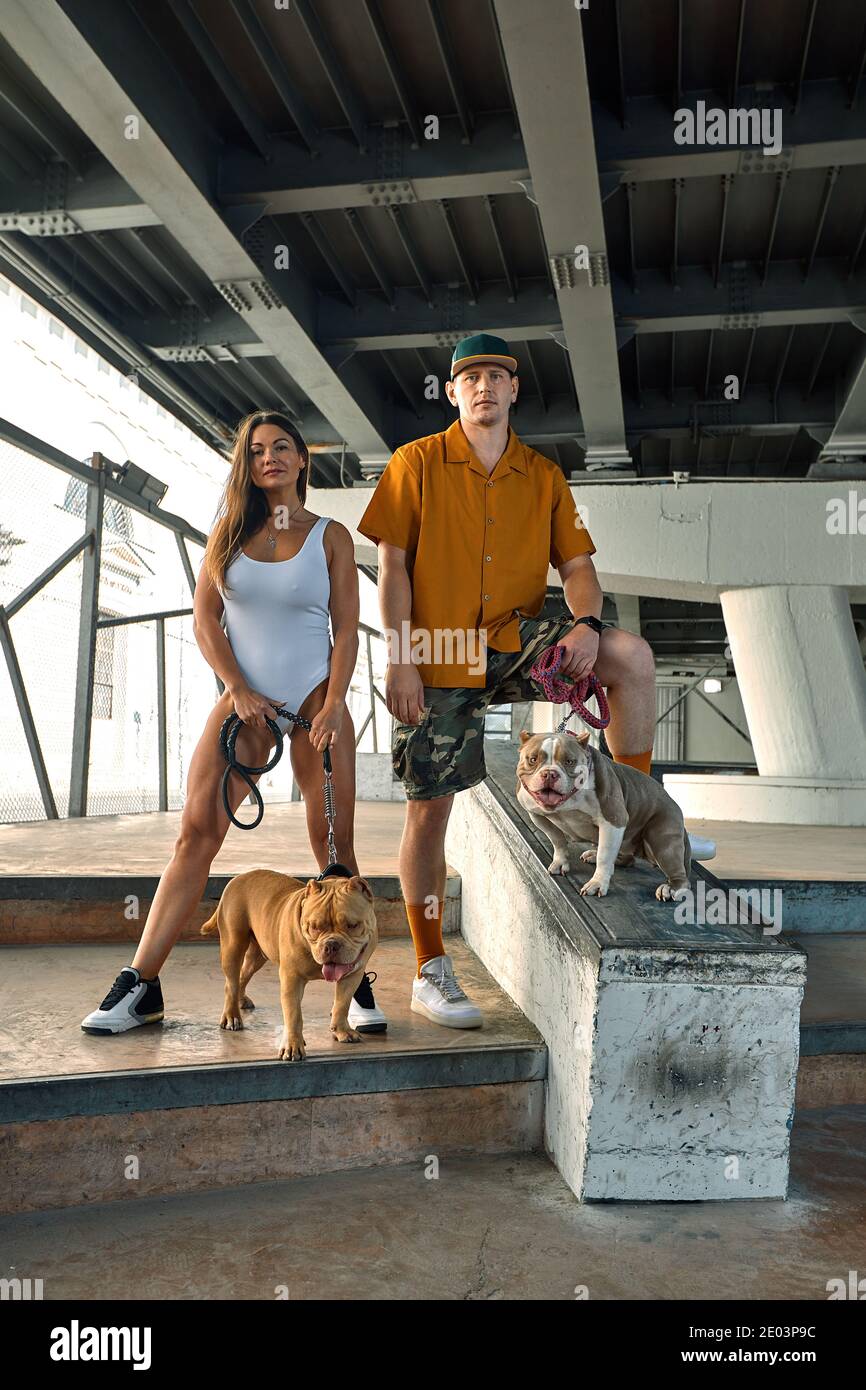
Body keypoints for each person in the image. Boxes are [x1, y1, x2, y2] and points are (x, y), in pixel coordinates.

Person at [356, 333, 659, 1028]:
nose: (485, 386)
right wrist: (399, 657)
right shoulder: (416, 463)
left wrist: (585, 623)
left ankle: (635, 819)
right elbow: (392, 566)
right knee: (429, 807)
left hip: (515, 635)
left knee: (630, 657)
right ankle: (431, 968)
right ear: (452, 391)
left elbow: (578, 565)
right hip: (437, 646)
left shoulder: (543, 475)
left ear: (515, 389)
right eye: (471, 378)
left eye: (497, 375)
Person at [81, 410, 386, 1035]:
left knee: (337, 854)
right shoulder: (226, 531)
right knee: (194, 839)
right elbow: (204, 621)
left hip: (314, 703)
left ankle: (351, 979)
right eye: (254, 451)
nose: (267, 458)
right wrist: (239, 689)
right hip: (242, 704)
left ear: (303, 459)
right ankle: (141, 986)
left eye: (280, 447)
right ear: (245, 465)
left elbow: (347, 631)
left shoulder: (330, 536)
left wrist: (331, 706)